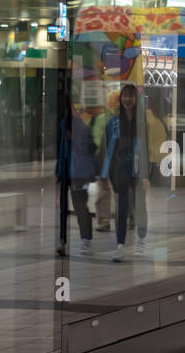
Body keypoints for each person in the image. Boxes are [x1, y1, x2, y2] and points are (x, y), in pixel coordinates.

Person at [101, 82, 150, 262]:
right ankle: (120, 246)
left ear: (136, 99)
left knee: (140, 207)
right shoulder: (114, 122)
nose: (127, 99)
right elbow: (109, 150)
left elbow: (146, 149)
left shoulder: (141, 122)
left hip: (137, 170)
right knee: (121, 209)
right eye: (124, 96)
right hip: (121, 169)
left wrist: (146, 175)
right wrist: (108, 174)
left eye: (131, 96)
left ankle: (141, 240)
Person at [56, 99, 97, 256]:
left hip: (79, 172)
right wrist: (59, 170)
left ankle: (86, 239)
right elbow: (62, 148)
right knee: (64, 208)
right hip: (68, 170)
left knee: (80, 206)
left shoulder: (79, 126)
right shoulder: (63, 124)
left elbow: (85, 148)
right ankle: (63, 240)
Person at [90, 89, 119, 231]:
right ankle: (126, 218)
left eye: (115, 100)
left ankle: (104, 221)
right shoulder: (122, 119)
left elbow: (95, 141)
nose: (113, 103)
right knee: (117, 191)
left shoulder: (103, 118)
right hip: (113, 161)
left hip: (105, 161)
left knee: (104, 191)